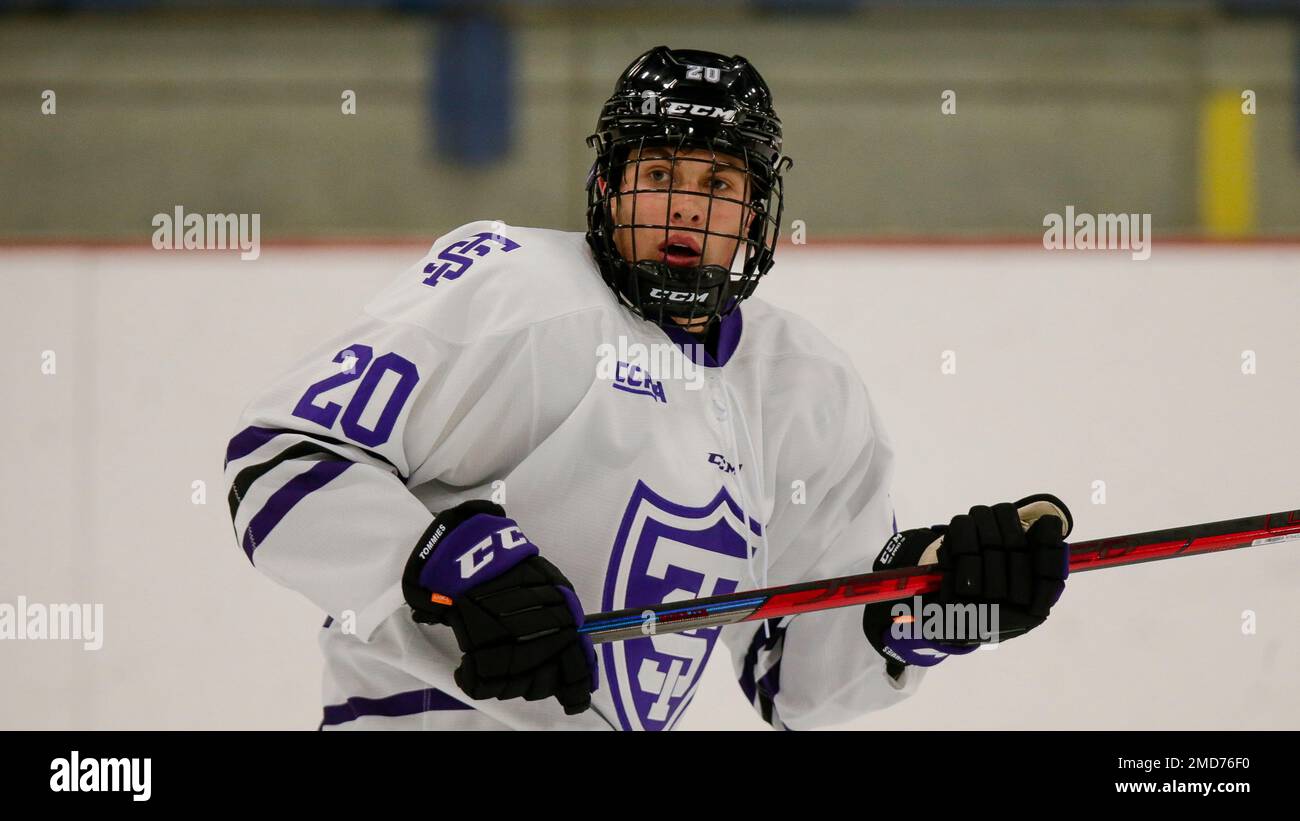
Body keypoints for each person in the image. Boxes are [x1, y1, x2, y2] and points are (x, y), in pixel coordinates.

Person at [222, 46, 1071, 730]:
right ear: (607, 188)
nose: (685, 214)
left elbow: (796, 681)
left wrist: (933, 607)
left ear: (755, 214)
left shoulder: (804, 388)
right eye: (659, 174)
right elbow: (278, 462)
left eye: (717, 186)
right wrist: (442, 563)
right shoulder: (514, 291)